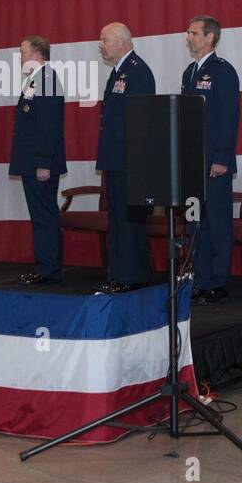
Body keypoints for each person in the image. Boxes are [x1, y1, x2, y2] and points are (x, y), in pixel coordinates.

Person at [181, 15, 241, 303]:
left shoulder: (223, 71)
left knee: (218, 224)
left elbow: (229, 118)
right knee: (195, 223)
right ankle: (201, 279)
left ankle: (218, 281)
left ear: (210, 37)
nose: (188, 37)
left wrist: (222, 158)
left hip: (214, 165)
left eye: (193, 33)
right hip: (192, 165)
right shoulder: (189, 73)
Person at [95, 22, 155, 292]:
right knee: (117, 219)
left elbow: (142, 121)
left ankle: (131, 276)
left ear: (121, 42)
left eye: (104, 40)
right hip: (116, 159)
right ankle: (118, 273)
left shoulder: (138, 72)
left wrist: (135, 160)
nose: (101, 45)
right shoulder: (119, 72)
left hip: (131, 161)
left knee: (130, 222)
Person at [10, 36, 67, 285]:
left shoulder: (47, 79)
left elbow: (49, 126)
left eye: (23, 52)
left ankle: (48, 268)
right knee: (40, 215)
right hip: (31, 160)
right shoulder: (36, 80)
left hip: (40, 162)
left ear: (37, 55)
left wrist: (44, 161)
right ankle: (44, 265)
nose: (20, 57)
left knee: (44, 215)